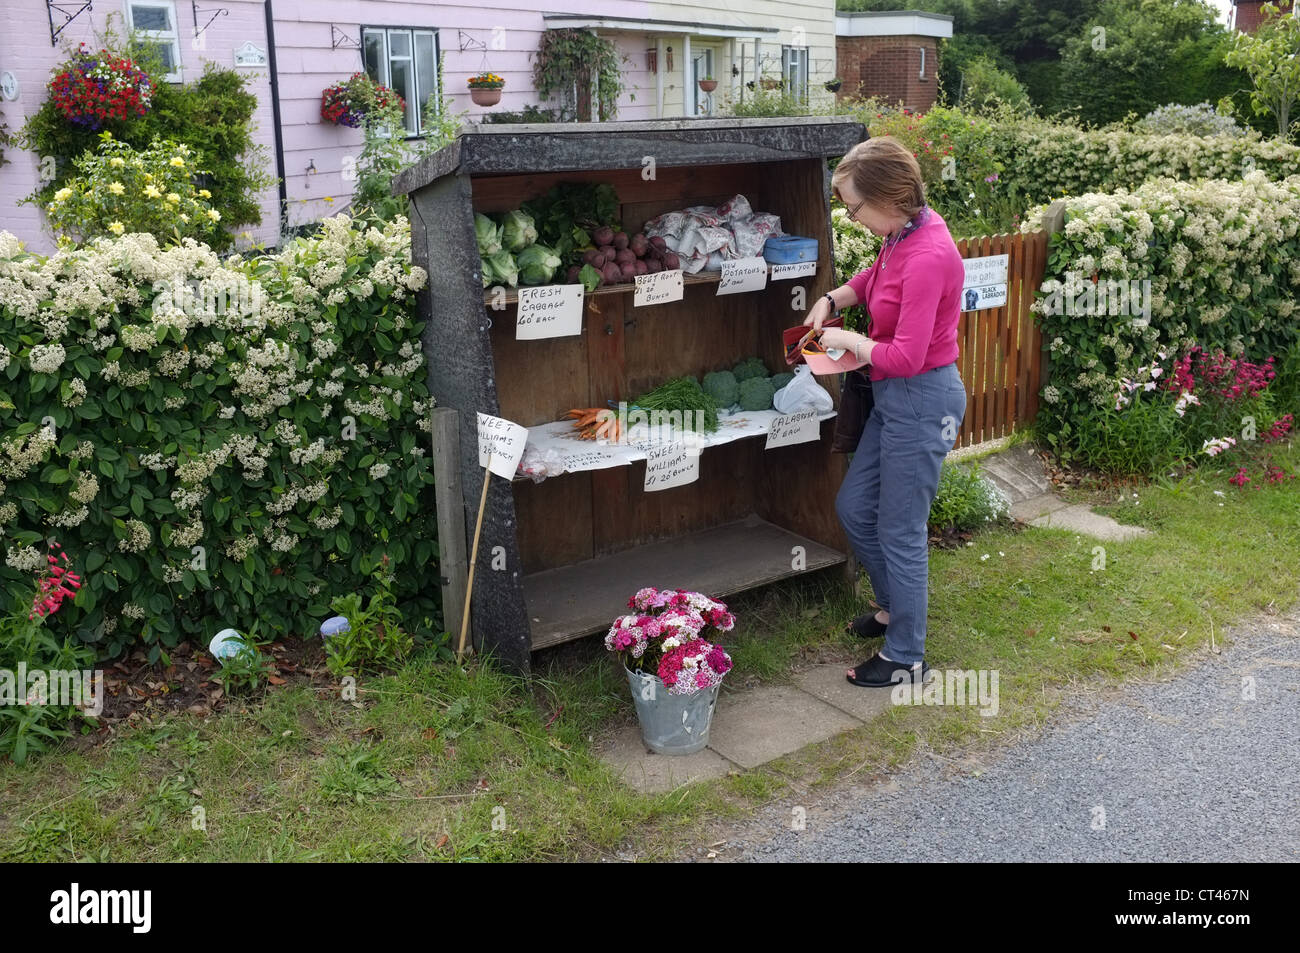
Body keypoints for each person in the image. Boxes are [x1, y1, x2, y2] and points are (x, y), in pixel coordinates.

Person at [803, 136, 968, 688]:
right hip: (896, 398)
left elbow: (905, 356)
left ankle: (906, 656)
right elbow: (875, 280)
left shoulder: (929, 254)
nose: (852, 218)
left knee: (900, 530)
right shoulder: (903, 232)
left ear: (887, 196)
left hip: (923, 398)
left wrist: (848, 340)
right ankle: (895, 606)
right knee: (854, 507)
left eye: (854, 207)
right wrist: (833, 298)